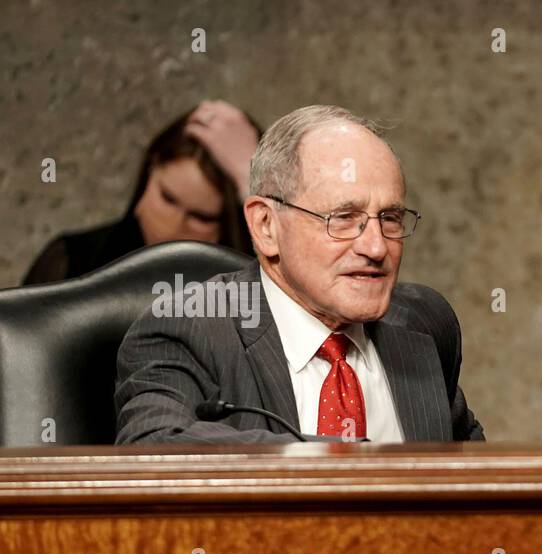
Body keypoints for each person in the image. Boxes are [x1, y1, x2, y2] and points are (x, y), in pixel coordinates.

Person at [115, 104, 483, 445]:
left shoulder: (425, 324)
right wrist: (347, 462)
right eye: (343, 218)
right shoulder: (189, 329)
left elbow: (474, 481)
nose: (376, 247)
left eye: (389, 218)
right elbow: (154, 445)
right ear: (265, 226)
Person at [22, 100, 260, 285]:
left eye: (201, 217)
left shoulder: (257, 288)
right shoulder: (73, 262)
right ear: (149, 173)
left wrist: (252, 179)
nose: (174, 225)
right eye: (167, 198)